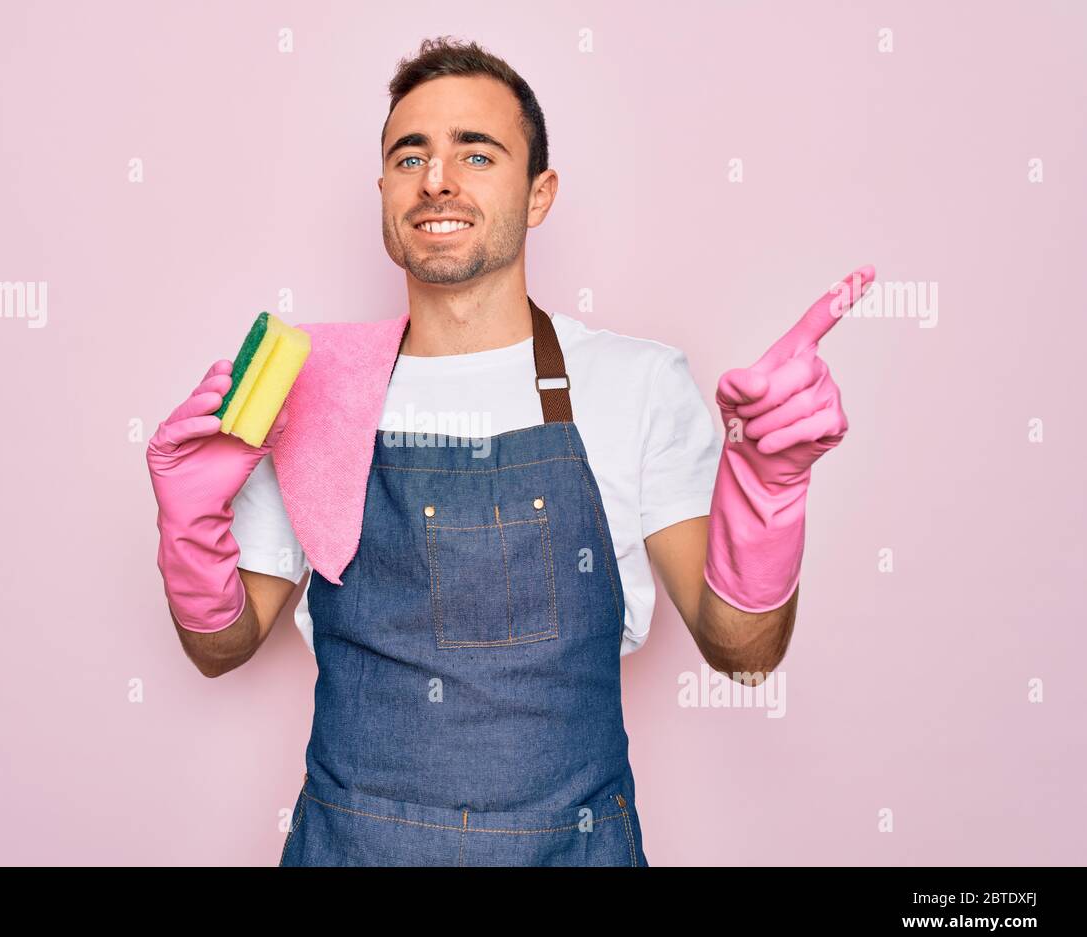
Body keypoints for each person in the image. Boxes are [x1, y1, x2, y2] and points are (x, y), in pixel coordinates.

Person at [146, 37, 868, 867]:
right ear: (384, 190)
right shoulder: (314, 385)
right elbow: (219, 651)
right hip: (349, 849)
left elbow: (742, 656)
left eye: (476, 153)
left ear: (539, 194)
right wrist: (190, 525)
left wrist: (770, 487)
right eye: (409, 154)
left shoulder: (636, 382)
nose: (437, 179)